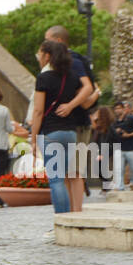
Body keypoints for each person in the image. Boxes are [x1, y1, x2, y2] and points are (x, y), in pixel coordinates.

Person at [44, 25, 100, 201]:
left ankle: (74, 212)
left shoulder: (72, 61)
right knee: (68, 172)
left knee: (73, 172)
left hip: (76, 123)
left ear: (59, 41)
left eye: (48, 40)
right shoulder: (61, 63)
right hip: (68, 124)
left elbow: (86, 92)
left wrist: (70, 105)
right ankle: (70, 211)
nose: (45, 45)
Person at [28, 40, 82, 214]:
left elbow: (38, 110)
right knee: (66, 176)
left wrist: (34, 138)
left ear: (48, 56)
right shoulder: (72, 77)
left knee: (56, 180)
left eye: (40, 54)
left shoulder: (43, 78)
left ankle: (61, 219)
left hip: (51, 132)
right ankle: (70, 218)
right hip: (70, 132)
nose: (39, 58)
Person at [112, 102, 133, 191]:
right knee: (118, 169)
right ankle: (120, 186)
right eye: (116, 109)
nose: (119, 110)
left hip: (131, 147)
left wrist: (128, 135)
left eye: (122, 108)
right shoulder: (114, 121)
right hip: (118, 147)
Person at [89, 107, 116, 192]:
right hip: (100, 150)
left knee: (100, 170)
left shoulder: (109, 127)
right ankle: (107, 186)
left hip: (105, 150)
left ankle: (107, 186)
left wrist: (103, 153)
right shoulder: (99, 126)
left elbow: (109, 141)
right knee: (97, 170)